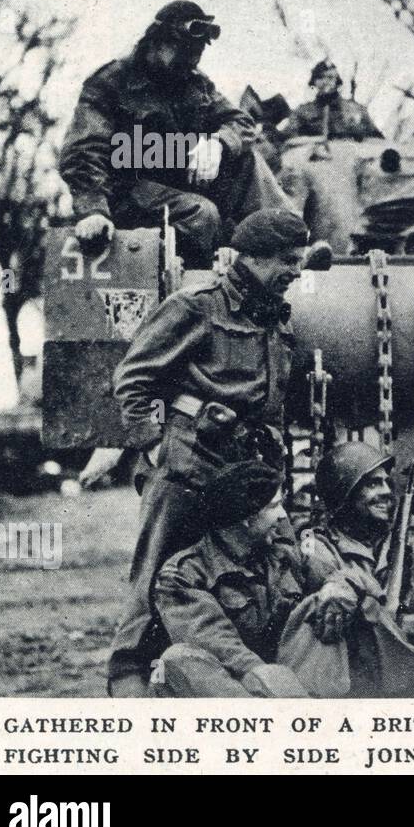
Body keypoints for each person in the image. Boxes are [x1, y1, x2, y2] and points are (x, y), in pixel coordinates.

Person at [106, 208, 309, 696]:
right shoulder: (196, 306)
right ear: (254, 258)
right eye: (288, 260)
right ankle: (127, 681)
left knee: (256, 565)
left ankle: (227, 675)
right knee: (157, 568)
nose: (296, 272)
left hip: (245, 466)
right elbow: (133, 379)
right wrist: (156, 442)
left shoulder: (272, 314)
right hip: (190, 463)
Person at [59, 1, 292, 268]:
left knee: (246, 160)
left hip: (178, 188)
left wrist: (218, 144)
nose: (190, 62)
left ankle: (288, 243)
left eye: (196, 54)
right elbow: (83, 152)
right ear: (155, 42)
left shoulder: (194, 82)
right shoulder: (112, 82)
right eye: (182, 52)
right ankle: (196, 281)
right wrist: (94, 211)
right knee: (201, 214)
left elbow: (240, 121)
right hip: (125, 194)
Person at [300, 441, 414, 697]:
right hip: (360, 671)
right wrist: (409, 624)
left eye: (387, 482)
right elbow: (344, 626)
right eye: (372, 484)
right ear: (344, 493)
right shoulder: (320, 549)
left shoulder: (407, 539)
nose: (387, 492)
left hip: (412, 660)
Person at [151, 461, 349, 698]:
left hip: (290, 679)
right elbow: (220, 646)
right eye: (274, 506)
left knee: (330, 604)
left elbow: (337, 574)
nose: (283, 516)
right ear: (246, 518)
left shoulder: (281, 552)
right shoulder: (183, 575)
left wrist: (335, 588)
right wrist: (274, 685)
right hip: (233, 687)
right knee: (177, 659)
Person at [278, 60, 383, 142]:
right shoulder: (303, 112)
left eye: (330, 77)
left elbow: (377, 140)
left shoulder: (356, 110)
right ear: (314, 82)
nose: (325, 82)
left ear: (337, 82)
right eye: (320, 77)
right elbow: (288, 137)